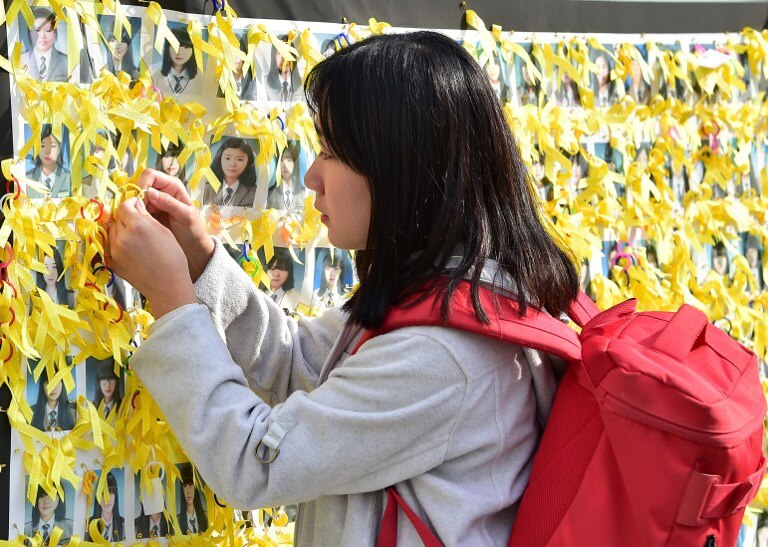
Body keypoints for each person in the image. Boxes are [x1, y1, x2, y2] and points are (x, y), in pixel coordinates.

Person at [108, 31, 579, 546]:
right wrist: (199, 262)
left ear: (399, 166)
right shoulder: (449, 291)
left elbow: (253, 463)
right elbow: (300, 366)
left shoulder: (440, 358)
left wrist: (173, 301)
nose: (312, 177)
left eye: (331, 151)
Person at [201, 137, 258, 207]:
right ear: (220, 159)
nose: (233, 164)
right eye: (227, 158)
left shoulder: (255, 193)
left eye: (239, 159)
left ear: (248, 162)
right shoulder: (206, 189)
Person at [21, 8, 68, 83]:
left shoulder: (66, 61)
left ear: (55, 33)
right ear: (29, 33)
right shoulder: (20, 61)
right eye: (37, 30)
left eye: (48, 30)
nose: (42, 36)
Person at [152, 27, 201, 97]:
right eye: (174, 46)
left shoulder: (201, 78)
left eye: (186, 47)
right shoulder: (154, 73)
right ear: (167, 48)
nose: (179, 52)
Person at [26, 125, 71, 199]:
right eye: (42, 146)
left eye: (53, 146)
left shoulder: (69, 177)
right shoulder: (27, 178)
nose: (48, 151)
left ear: (59, 149)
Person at [216, 34, 264, 101]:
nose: (235, 58)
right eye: (231, 53)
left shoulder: (254, 82)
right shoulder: (222, 82)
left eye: (238, 53)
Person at [84, 471, 125, 542]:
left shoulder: (123, 524)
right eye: (103, 493)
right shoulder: (88, 524)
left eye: (111, 493)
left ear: (116, 496)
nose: (107, 499)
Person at [266, 142, 305, 210]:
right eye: (281, 160)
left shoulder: (303, 194)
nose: (285, 165)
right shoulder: (269, 194)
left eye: (289, 160)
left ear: (294, 163)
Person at [265, 35, 303, 103]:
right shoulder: (264, 84)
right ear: (273, 57)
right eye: (280, 53)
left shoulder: (303, 85)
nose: (284, 58)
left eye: (288, 53)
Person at [176, 463, 208, 535]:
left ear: (195, 487)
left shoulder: (206, 517)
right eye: (185, 486)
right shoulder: (177, 520)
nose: (188, 491)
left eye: (190, 485)